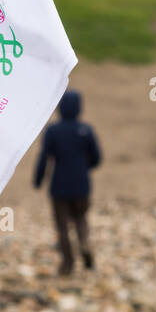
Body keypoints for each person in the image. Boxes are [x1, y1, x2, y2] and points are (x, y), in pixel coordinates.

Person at [34, 88, 102, 275]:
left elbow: (44, 158)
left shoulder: (53, 131)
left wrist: (38, 180)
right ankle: (84, 244)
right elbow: (96, 158)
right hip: (81, 185)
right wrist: (84, 167)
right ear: (79, 108)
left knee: (62, 226)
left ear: (60, 108)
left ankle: (68, 263)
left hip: (59, 187)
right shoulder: (86, 130)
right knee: (81, 219)